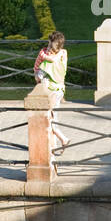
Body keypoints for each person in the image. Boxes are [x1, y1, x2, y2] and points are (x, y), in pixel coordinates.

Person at [34, 30, 70, 162]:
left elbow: (38, 77)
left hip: (50, 92)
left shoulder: (46, 63)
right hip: (60, 90)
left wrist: (37, 72)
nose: (47, 46)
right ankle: (53, 144)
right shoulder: (63, 56)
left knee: (49, 118)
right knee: (54, 116)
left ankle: (63, 139)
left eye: (49, 44)